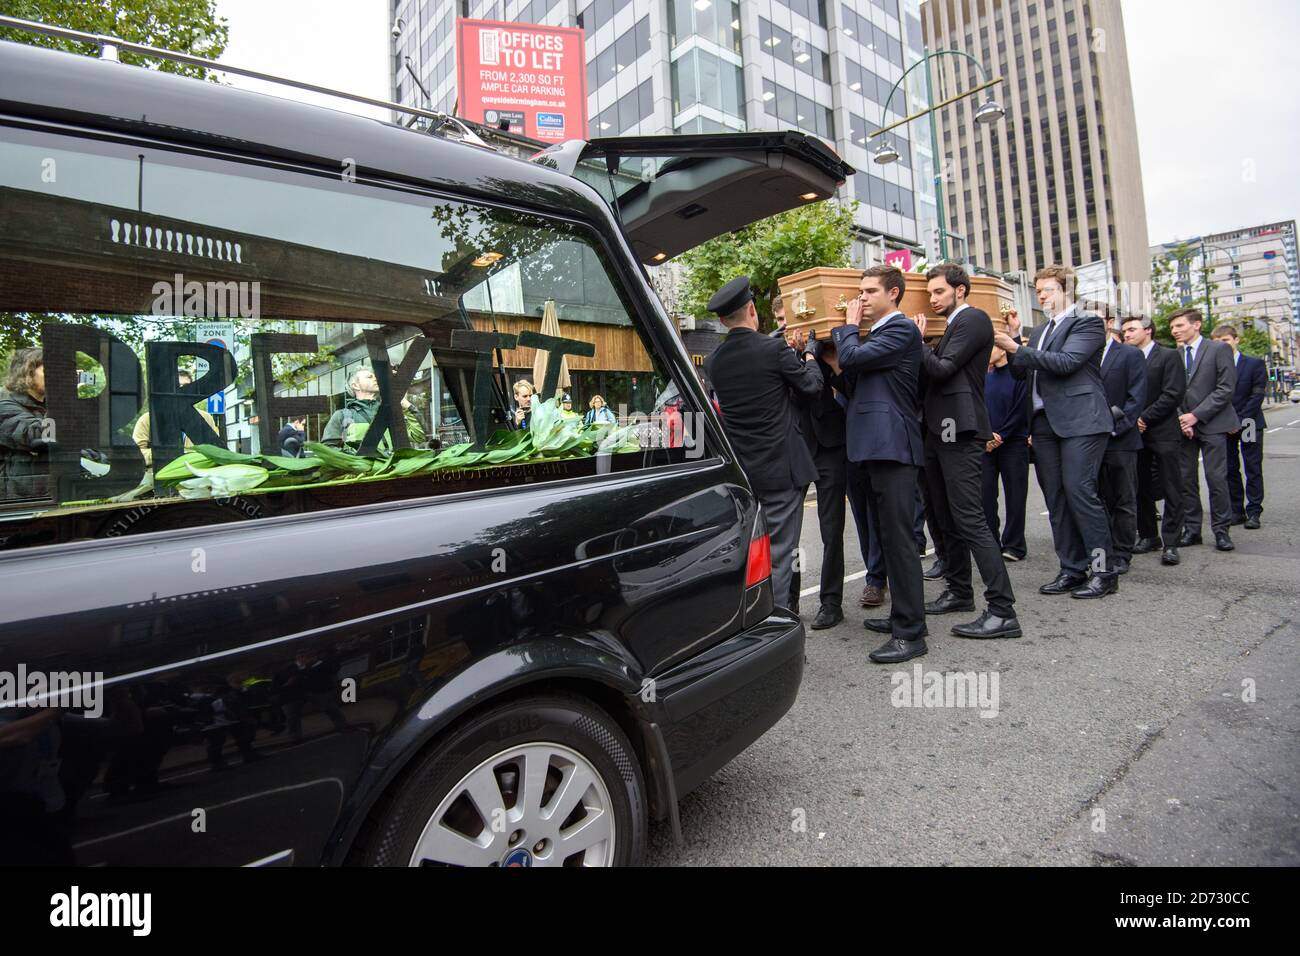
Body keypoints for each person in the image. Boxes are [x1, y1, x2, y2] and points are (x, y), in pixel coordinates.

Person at [994, 264, 1118, 599]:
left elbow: (1066, 363)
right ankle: (1072, 569)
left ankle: (1104, 571)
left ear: (1066, 289)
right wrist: (1016, 343)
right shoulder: (1037, 331)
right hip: (1045, 422)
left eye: (1047, 289)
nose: (1041, 295)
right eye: (1038, 290)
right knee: (1057, 498)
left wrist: (1017, 348)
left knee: (1080, 491)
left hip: (1082, 419)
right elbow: (1022, 374)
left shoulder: (1088, 322)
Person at [911, 264, 1019, 639]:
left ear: (960, 290)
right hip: (937, 431)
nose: (932, 298)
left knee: (970, 518)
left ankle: (1003, 610)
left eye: (939, 291)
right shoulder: (950, 328)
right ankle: (959, 591)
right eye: (929, 293)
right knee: (943, 517)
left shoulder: (972, 319)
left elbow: (942, 369)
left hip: (961, 429)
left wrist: (917, 342)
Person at [704, 276, 823, 615]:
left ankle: (758, 616)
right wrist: (811, 356)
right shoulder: (773, 350)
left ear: (724, 320)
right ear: (753, 311)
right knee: (783, 554)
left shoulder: (714, 362)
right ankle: (780, 626)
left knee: (757, 553)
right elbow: (811, 388)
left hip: (746, 473)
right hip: (783, 470)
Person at [832, 265, 927, 663]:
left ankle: (911, 634)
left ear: (894, 294)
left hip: (893, 447)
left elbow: (852, 356)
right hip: (875, 447)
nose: (862, 298)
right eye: (860, 291)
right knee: (889, 538)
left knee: (901, 542)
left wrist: (845, 328)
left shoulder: (901, 329)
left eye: (870, 291)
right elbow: (852, 380)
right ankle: (901, 616)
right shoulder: (879, 337)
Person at [1170, 309, 1238, 551]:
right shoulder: (1174, 355)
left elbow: (1226, 388)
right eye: (1172, 328)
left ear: (1196, 324)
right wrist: (1182, 419)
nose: (1175, 331)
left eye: (1179, 325)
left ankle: (1222, 531)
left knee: (1216, 478)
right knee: (1186, 480)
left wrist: (1195, 416)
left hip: (1213, 423)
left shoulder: (1218, 349)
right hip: (1185, 428)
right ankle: (1192, 530)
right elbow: (1172, 391)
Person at [1121, 315, 1186, 567]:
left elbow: (1173, 393)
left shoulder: (1168, 356)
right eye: (1124, 330)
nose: (1126, 334)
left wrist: (1144, 417)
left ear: (1148, 330)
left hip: (1163, 431)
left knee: (1172, 486)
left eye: (1132, 329)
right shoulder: (1127, 357)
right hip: (1134, 433)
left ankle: (1171, 542)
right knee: (1140, 486)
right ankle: (1148, 535)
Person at [795, 336, 849, 629]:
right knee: (791, 532)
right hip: (798, 448)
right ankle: (790, 599)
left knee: (832, 529)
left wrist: (829, 360)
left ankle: (831, 602)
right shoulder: (780, 351)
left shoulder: (829, 348)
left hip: (830, 447)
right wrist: (799, 353)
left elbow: (848, 388)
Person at [1096, 325, 1147, 575]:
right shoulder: (1082, 355)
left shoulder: (1129, 354)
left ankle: (1122, 553)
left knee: (1123, 499)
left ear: (1107, 324)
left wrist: (1117, 427)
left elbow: (1136, 397)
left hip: (1120, 439)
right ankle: (1102, 551)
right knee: (1099, 499)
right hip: (1090, 441)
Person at [1210, 324, 1267, 529]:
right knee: (1230, 468)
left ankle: (1254, 511)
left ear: (1235, 340)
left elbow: (1257, 394)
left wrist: (1240, 420)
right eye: (1217, 342)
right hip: (1224, 423)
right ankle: (1237, 511)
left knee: (1252, 466)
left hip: (1249, 421)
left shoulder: (1254, 364)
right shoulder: (1214, 367)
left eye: (1225, 340)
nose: (1222, 345)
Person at [982, 342, 1030, 562]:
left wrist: (1001, 435)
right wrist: (986, 435)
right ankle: (991, 544)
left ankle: (1014, 545)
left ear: (1002, 349)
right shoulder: (983, 376)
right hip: (985, 444)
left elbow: (1021, 408)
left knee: (1016, 495)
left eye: (991, 347)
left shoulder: (1018, 374)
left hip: (1014, 443)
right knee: (986, 496)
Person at [132, 370, 219, 466]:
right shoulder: (147, 419)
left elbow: (216, 450)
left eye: (186, 387)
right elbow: (135, 454)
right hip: (160, 475)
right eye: (177, 386)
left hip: (196, 476)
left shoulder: (206, 418)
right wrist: (166, 454)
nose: (181, 391)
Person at [0, 347, 52, 500]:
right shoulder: (4, 406)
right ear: (28, 372)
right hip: (18, 502)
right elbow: (38, 435)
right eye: (47, 370)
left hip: (50, 495)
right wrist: (62, 398)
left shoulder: (47, 407)